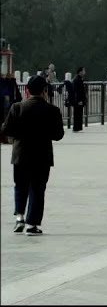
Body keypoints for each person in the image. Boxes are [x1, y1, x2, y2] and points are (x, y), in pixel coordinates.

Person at [3, 75, 65, 235]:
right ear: (45, 91)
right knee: (37, 189)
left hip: (20, 154)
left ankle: (19, 217)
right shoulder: (52, 110)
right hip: (42, 156)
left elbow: (6, 130)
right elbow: (58, 134)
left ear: (27, 90)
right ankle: (32, 224)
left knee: (20, 185)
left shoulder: (16, 108)